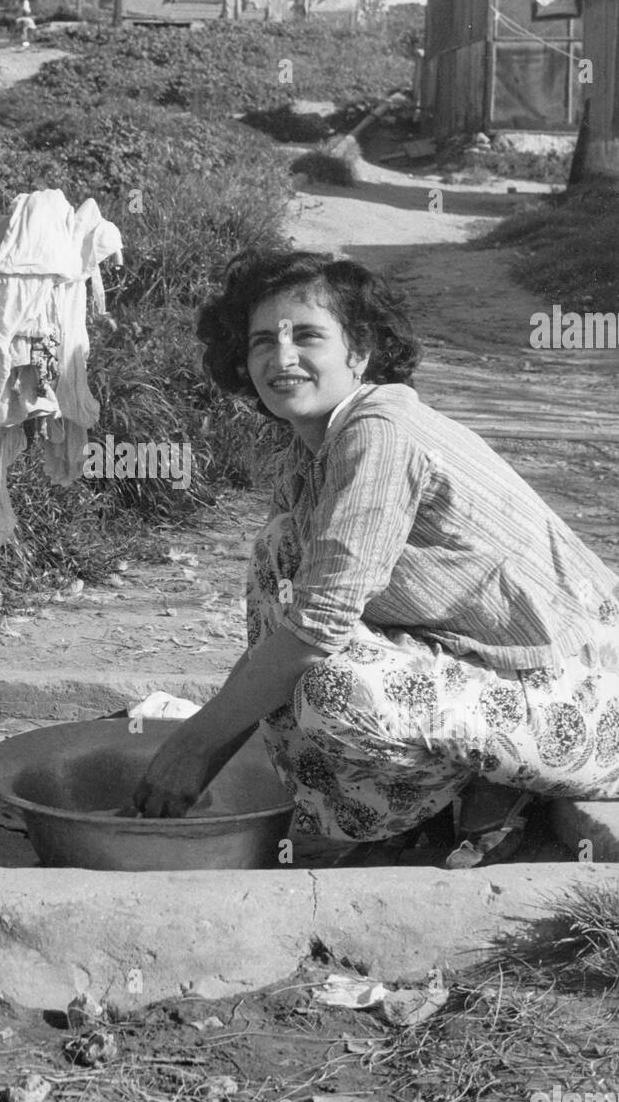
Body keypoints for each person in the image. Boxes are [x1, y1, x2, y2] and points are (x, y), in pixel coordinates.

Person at [132, 249, 619, 863]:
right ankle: (450, 793)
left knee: (329, 688)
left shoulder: (378, 431)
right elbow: (293, 617)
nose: (281, 359)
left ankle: (471, 789)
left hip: (587, 696)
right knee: (280, 554)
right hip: (490, 666)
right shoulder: (311, 449)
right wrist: (206, 739)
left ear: (358, 353)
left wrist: (198, 744)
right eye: (261, 342)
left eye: (307, 336)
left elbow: (316, 629)